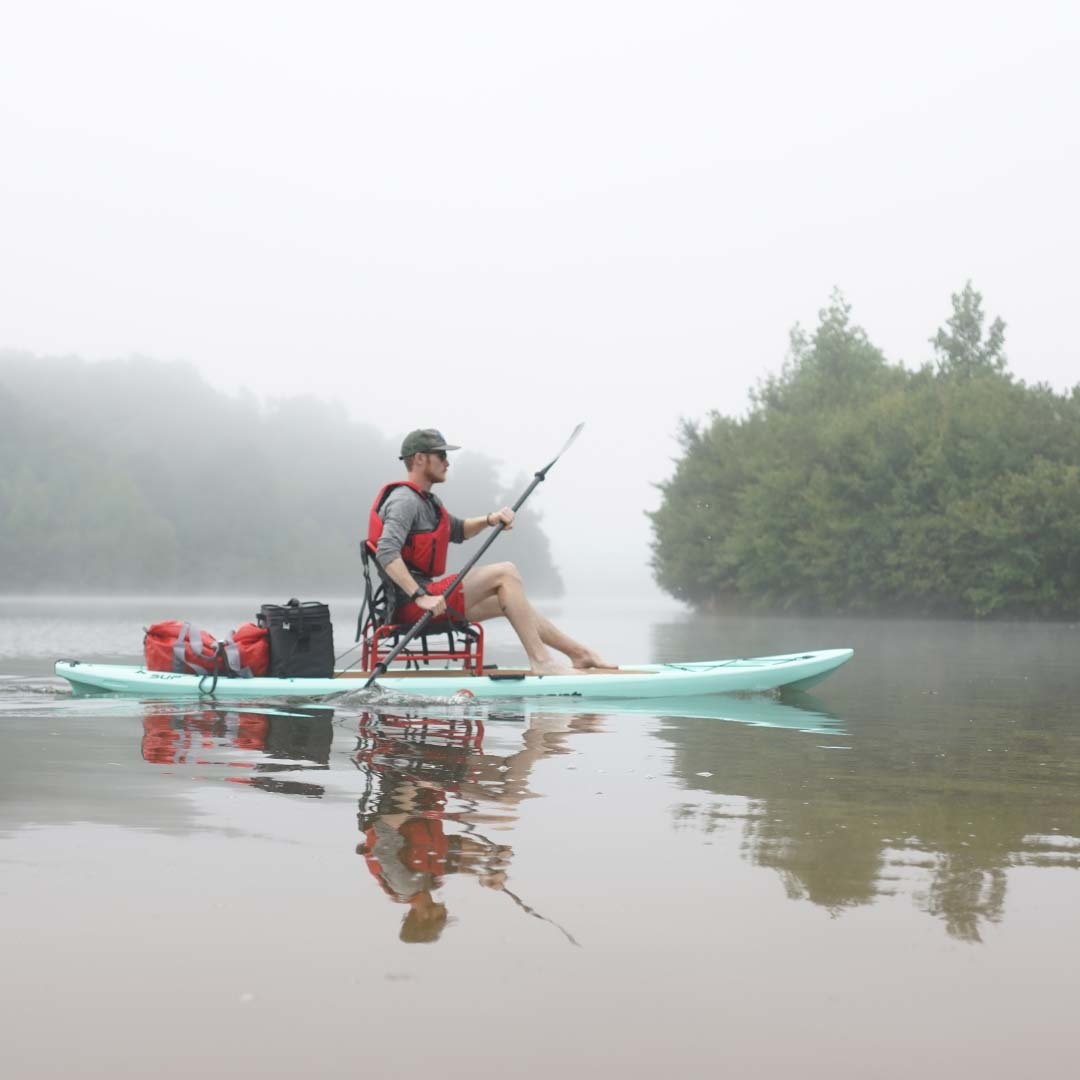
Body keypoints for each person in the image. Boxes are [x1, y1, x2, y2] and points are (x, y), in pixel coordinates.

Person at [368, 428, 611, 675]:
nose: (447, 462)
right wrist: (421, 596)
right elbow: (386, 552)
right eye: (441, 455)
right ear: (420, 458)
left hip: (427, 598)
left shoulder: (426, 501)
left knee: (506, 601)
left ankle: (579, 653)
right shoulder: (404, 500)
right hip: (413, 605)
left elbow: (458, 530)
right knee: (506, 572)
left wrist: (491, 519)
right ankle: (542, 661)